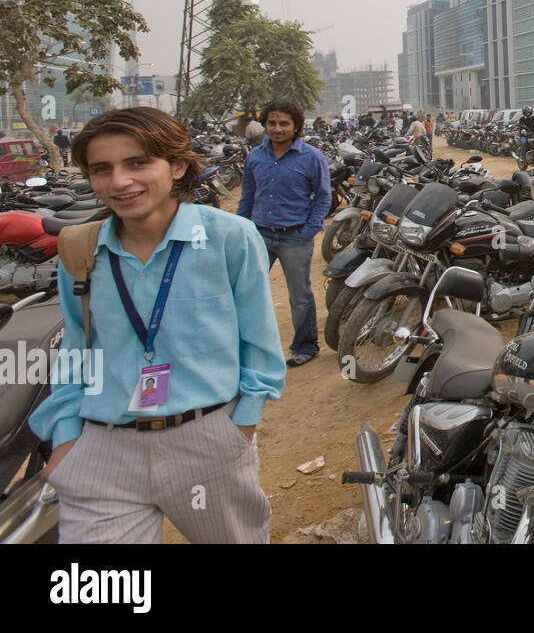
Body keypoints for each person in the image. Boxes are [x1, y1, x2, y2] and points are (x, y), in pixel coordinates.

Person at [27, 107, 284, 542]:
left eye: (138, 163)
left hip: (207, 442)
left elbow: (258, 341)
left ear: (178, 164)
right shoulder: (79, 250)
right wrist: (66, 435)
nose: (120, 182)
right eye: (101, 169)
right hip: (104, 448)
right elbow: (77, 348)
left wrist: (240, 428)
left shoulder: (229, 237)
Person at [237, 100, 331, 367]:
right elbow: (248, 196)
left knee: (299, 296)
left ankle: (305, 346)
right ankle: (248, 348)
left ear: (296, 126)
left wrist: (309, 231)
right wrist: (242, 228)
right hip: (259, 235)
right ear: (265, 125)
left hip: (294, 237)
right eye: (272, 123)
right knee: (247, 291)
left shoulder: (312, 157)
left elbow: (323, 197)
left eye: (284, 123)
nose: (277, 129)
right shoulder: (255, 156)